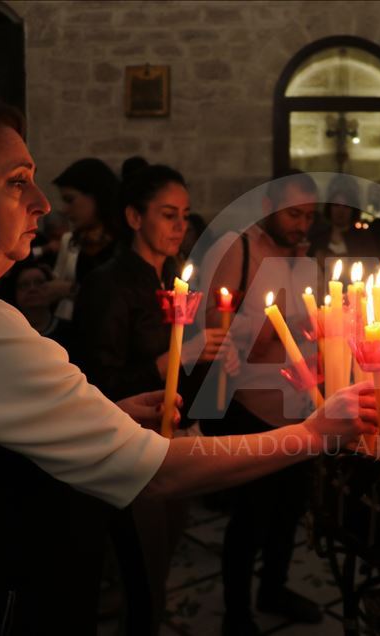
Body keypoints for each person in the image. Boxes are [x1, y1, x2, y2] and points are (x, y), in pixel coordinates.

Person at [0, 88, 377, 635]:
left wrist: (104, 417)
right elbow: (157, 473)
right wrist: (314, 433)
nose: (42, 202)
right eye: (15, 181)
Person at [74, 163, 240, 633]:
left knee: (163, 555)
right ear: (133, 217)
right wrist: (169, 361)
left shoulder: (171, 282)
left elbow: (179, 367)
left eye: (185, 215)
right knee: (141, 571)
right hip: (130, 446)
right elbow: (94, 381)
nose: (179, 227)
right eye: (168, 214)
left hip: (175, 439)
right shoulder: (109, 284)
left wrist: (210, 359)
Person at [199, 170, 323, 636]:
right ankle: (236, 612)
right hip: (249, 408)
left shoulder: (300, 255)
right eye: (294, 213)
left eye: (308, 216)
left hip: (296, 408)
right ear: (269, 206)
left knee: (289, 510)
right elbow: (219, 335)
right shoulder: (240, 248)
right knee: (250, 517)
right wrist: (272, 323)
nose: (301, 224)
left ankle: (274, 588)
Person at [47, 157, 121, 323]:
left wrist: (71, 290)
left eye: (70, 200)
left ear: (96, 196)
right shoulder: (82, 241)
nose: (64, 210)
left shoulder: (124, 245)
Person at [308, 175, 377, 267]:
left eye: (346, 206)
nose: (341, 211)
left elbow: (370, 264)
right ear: (329, 208)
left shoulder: (363, 237)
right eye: (336, 205)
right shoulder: (318, 236)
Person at [0, 259, 70, 345]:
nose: (32, 289)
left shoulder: (71, 331)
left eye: (39, 282)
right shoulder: (7, 334)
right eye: (24, 285)